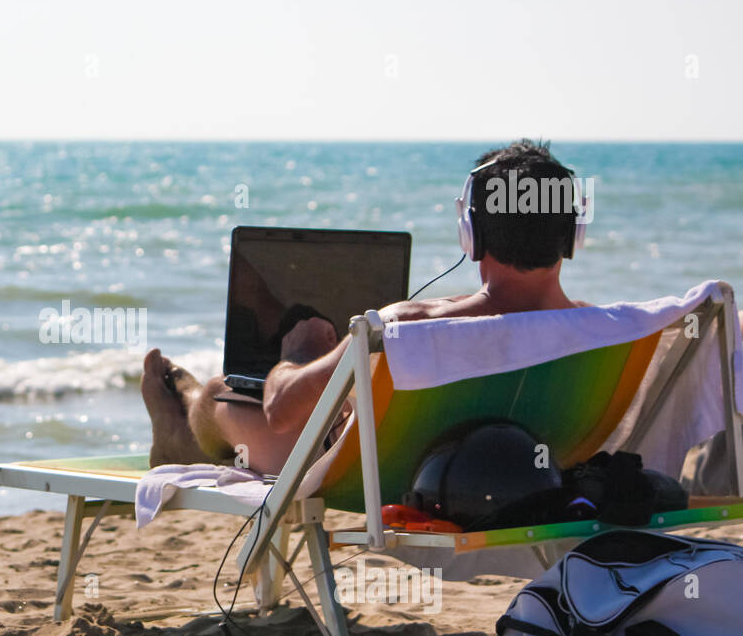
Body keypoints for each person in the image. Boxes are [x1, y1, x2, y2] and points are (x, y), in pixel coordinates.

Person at [141, 139, 588, 473]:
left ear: (471, 234)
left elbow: (279, 410)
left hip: (379, 480)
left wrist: (299, 353)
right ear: (572, 236)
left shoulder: (405, 325)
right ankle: (182, 404)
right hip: (530, 481)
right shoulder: (605, 328)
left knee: (221, 393)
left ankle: (182, 416)